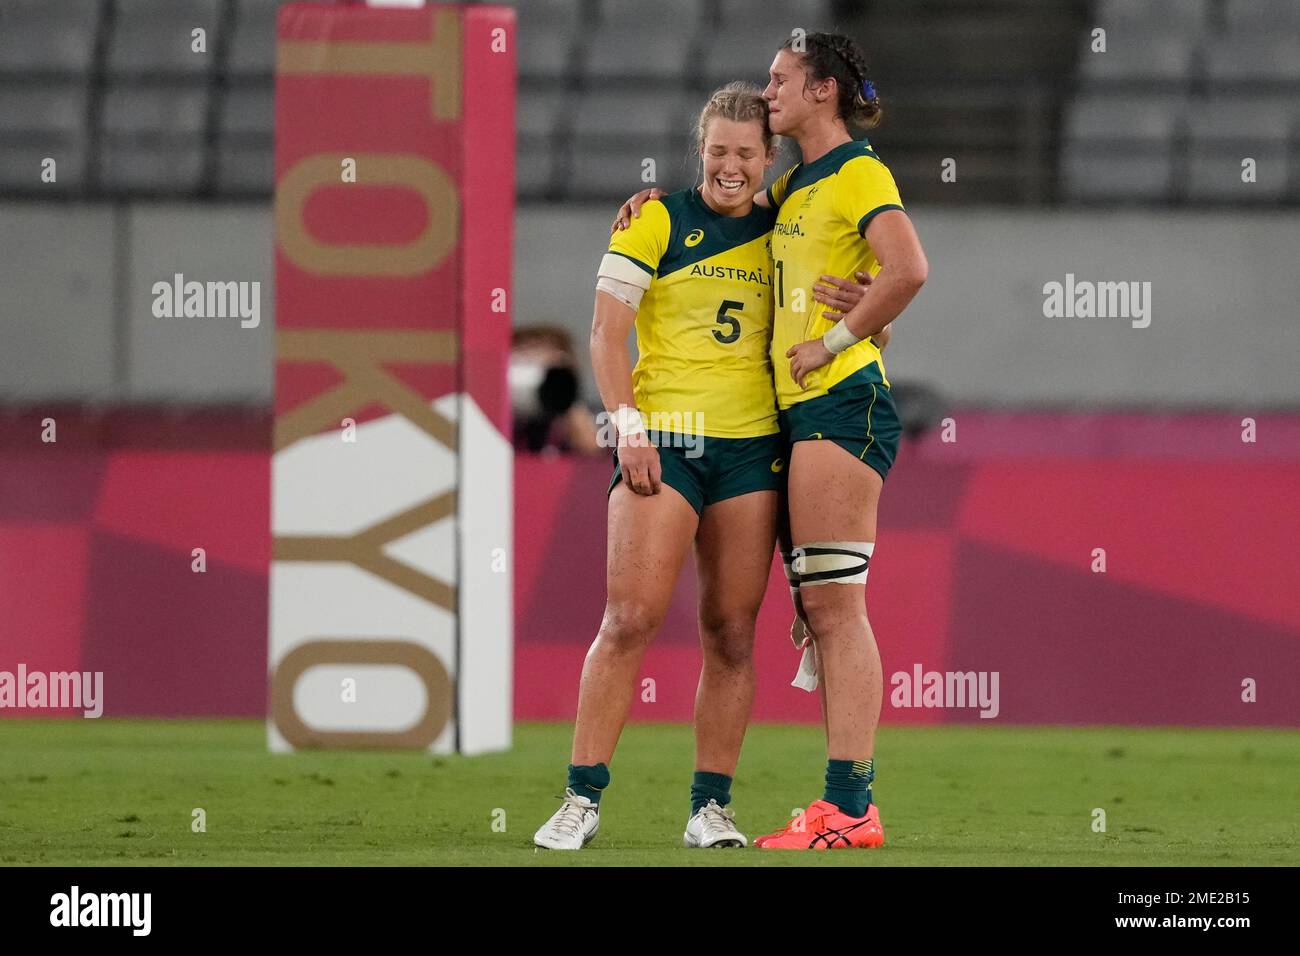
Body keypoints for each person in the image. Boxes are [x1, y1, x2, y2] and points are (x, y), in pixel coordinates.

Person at [533, 82, 873, 850]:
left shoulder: (788, 230)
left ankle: (709, 808)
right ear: (701, 151)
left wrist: (864, 318)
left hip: (753, 449)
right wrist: (627, 427)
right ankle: (580, 799)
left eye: (745, 153)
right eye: (717, 151)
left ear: (769, 157)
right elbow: (603, 333)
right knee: (630, 620)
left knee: (729, 632)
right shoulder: (656, 218)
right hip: (669, 439)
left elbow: (855, 321)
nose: (729, 166)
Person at [616, 32, 929, 851]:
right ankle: (843, 805)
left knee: (835, 604)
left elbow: (909, 269)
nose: (770, 88)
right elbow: (745, 235)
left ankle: (850, 808)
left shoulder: (859, 171)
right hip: (799, 416)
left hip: (840, 401)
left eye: (782, 78)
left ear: (823, 89)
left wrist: (840, 339)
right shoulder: (793, 186)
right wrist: (657, 203)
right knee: (821, 604)